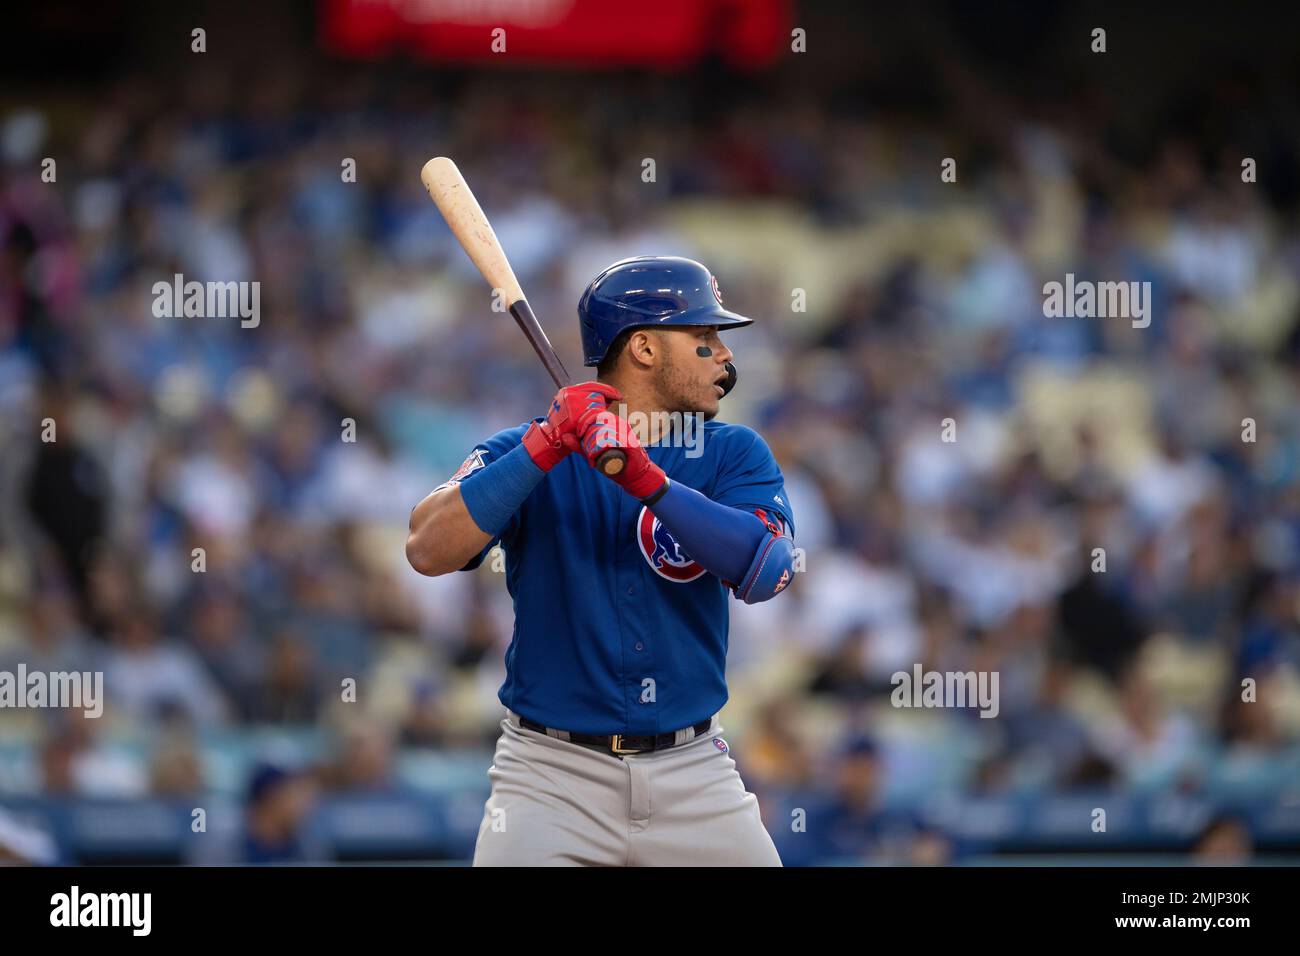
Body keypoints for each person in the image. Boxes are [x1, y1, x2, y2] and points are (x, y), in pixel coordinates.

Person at [406, 256, 798, 865]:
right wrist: (546, 444)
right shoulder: (527, 449)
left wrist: (646, 479)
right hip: (548, 776)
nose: (724, 355)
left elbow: (768, 568)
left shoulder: (732, 453)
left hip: (692, 772)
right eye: (703, 337)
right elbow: (426, 549)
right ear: (643, 348)